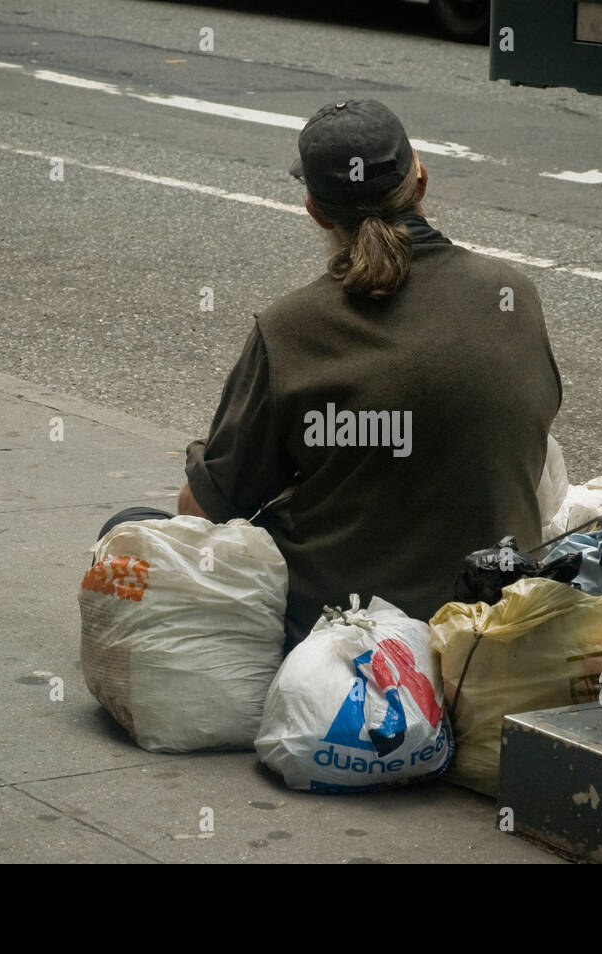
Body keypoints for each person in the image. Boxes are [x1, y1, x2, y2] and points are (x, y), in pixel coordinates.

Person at [178, 99, 563, 648]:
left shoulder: (291, 328)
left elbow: (205, 508)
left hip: (341, 631)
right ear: (421, 181)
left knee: (127, 526)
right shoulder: (513, 296)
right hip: (491, 614)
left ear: (316, 211)